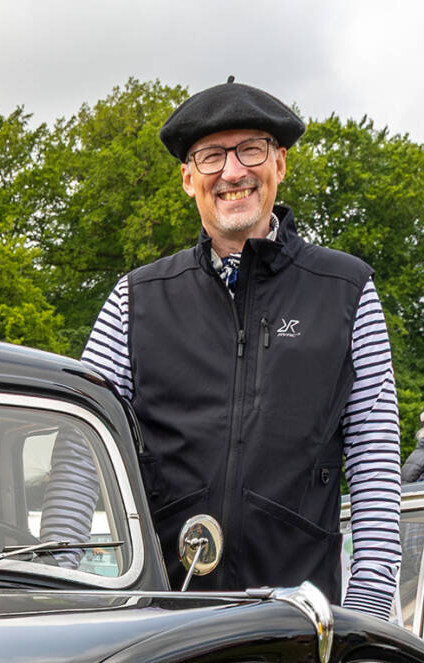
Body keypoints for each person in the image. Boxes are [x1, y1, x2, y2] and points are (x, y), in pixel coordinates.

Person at [77, 78, 401, 612]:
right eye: (210, 156)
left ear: (280, 164)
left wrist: (366, 613)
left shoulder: (347, 289)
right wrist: (66, 586)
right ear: (188, 178)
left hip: (298, 624)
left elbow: (374, 457)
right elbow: (81, 455)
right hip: (158, 621)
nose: (233, 171)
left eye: (251, 149)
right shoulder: (135, 298)